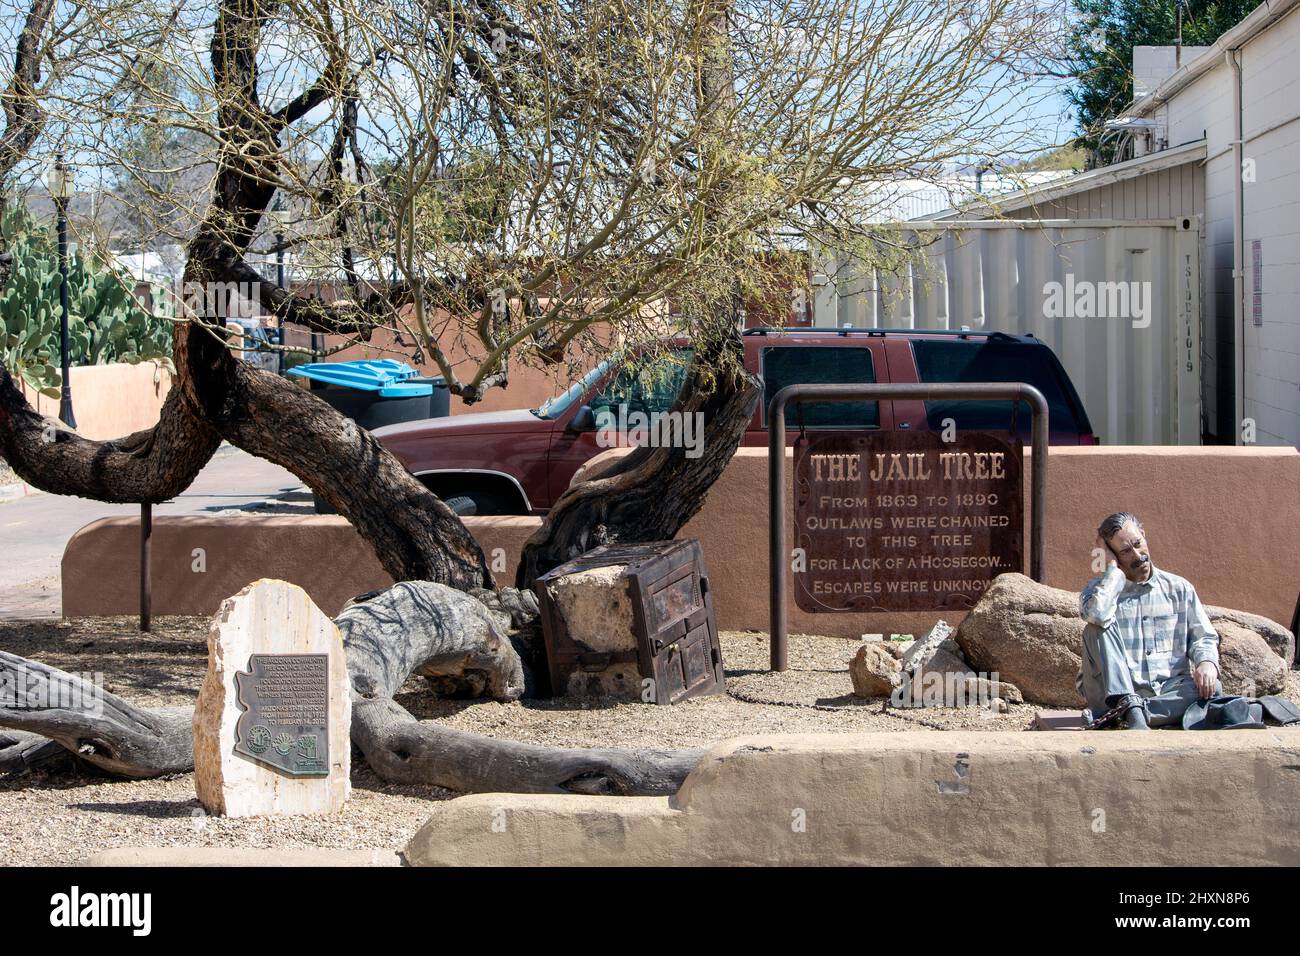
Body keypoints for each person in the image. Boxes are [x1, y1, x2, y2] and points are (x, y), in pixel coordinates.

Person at [1077, 512, 1221, 729]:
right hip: (1115, 691)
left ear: (1144, 535)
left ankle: (1131, 714)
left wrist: (1206, 663)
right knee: (1096, 628)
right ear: (1112, 555)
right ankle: (1126, 706)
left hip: (1170, 689)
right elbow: (1096, 614)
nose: (1137, 555)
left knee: (1213, 689)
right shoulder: (1098, 592)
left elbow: (1204, 637)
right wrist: (1113, 572)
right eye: (1125, 551)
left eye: (1138, 543)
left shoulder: (1180, 588)